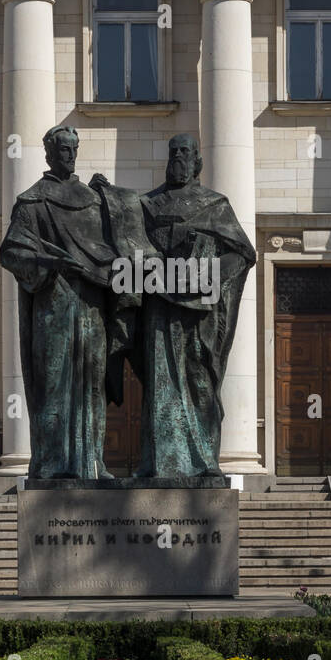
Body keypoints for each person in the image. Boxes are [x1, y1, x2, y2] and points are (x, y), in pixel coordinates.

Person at [0, 126, 119, 481]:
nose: (68, 155)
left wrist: (113, 198)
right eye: (62, 150)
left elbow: (115, 247)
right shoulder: (32, 201)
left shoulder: (94, 199)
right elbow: (12, 252)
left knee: (92, 384)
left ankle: (92, 463)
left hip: (92, 306)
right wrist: (49, 263)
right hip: (53, 305)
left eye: (73, 149)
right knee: (54, 382)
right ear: (48, 154)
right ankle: (52, 464)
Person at [134, 133, 256, 479]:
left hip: (199, 312)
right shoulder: (147, 204)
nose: (178, 159)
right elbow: (131, 249)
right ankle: (159, 463)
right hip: (159, 307)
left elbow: (242, 254)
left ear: (198, 162)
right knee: (160, 384)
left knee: (201, 380)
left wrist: (207, 276)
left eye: (185, 153)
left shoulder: (214, 204)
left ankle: (203, 462)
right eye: (173, 152)